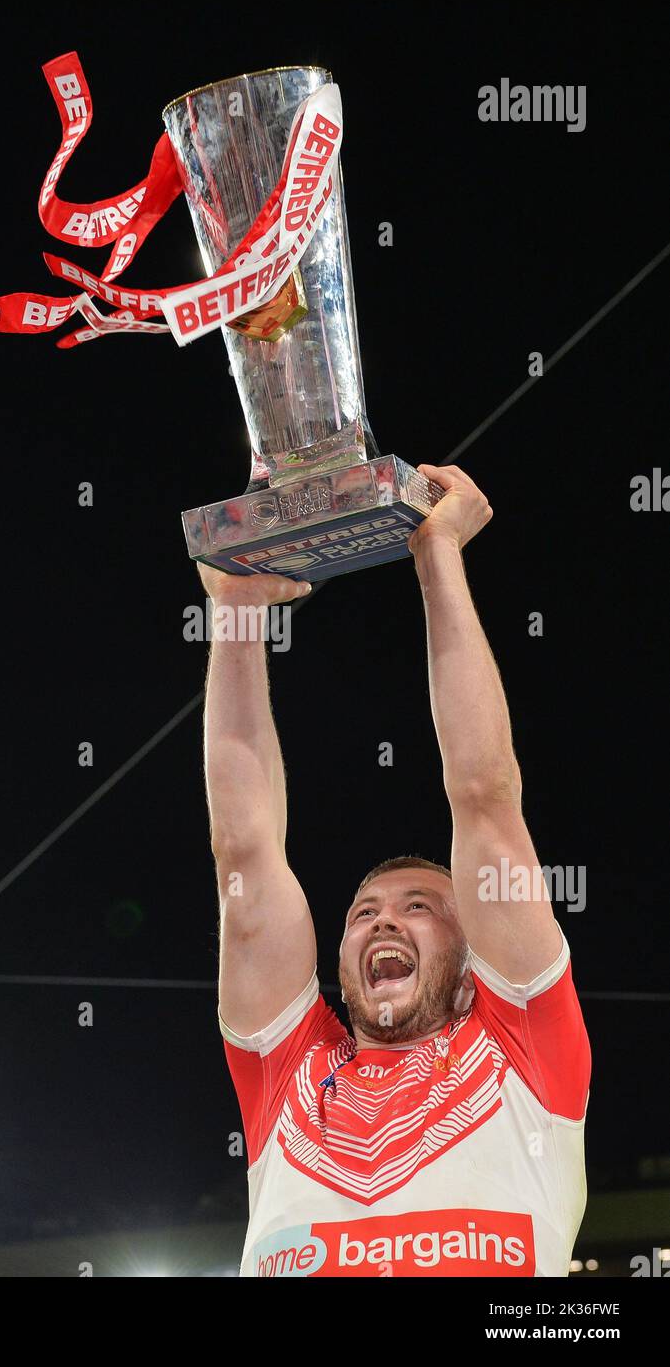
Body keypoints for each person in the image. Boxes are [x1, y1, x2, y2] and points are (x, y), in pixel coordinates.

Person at [200, 462, 591, 1278]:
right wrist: (235, 608)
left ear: (470, 961)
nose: (381, 919)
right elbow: (243, 847)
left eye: (419, 906)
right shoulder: (288, 1076)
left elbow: (484, 796)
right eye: (363, 912)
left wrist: (435, 549)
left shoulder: (521, 1046)